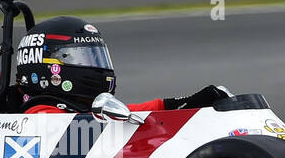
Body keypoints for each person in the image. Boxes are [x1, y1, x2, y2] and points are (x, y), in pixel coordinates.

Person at [13, 16, 230, 114]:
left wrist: (182, 104)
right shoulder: (40, 115)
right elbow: (91, 126)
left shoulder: (83, 110)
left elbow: (129, 113)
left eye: (96, 57)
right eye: (82, 58)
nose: (96, 68)